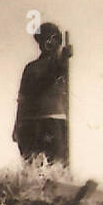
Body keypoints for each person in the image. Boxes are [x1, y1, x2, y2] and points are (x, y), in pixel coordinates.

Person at [13, 21, 73, 165]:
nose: (48, 42)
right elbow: (23, 98)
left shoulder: (61, 65)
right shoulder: (31, 68)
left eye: (52, 38)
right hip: (30, 124)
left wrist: (63, 59)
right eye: (44, 38)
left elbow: (55, 74)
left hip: (54, 121)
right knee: (31, 167)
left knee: (57, 166)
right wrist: (17, 125)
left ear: (58, 41)